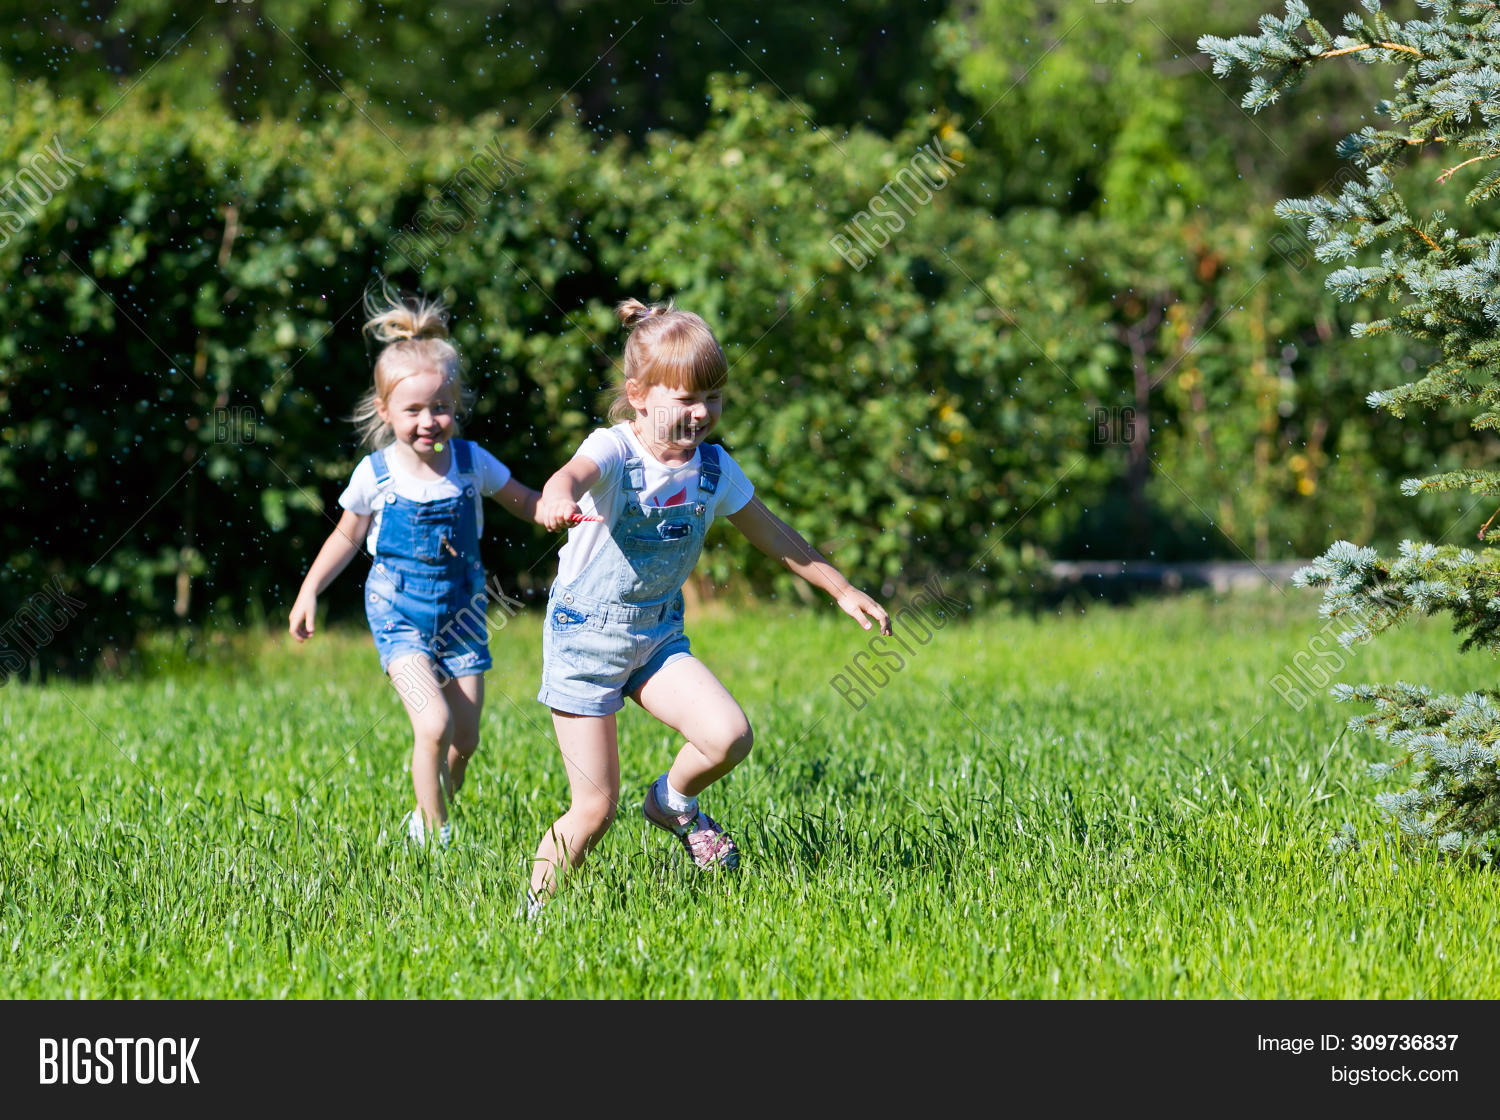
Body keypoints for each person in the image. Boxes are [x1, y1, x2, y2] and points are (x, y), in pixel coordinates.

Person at [527, 297, 890, 913]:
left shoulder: (713, 468)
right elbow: (571, 474)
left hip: (657, 636)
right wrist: (552, 499)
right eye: (687, 399)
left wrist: (842, 588)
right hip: (585, 642)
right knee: (593, 808)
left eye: (714, 399)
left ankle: (670, 802)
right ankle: (530, 919)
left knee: (729, 736)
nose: (702, 413)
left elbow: (774, 534)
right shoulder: (616, 450)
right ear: (638, 395)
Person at [289, 289, 540, 847]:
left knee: (465, 739)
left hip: (463, 615)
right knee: (433, 725)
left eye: (441, 407)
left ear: (457, 404)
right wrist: (309, 592)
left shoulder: (472, 462)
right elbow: (346, 536)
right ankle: (434, 835)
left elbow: (523, 499)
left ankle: (431, 810)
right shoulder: (375, 475)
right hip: (397, 612)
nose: (429, 421)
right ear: (385, 411)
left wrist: (559, 511)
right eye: (413, 410)